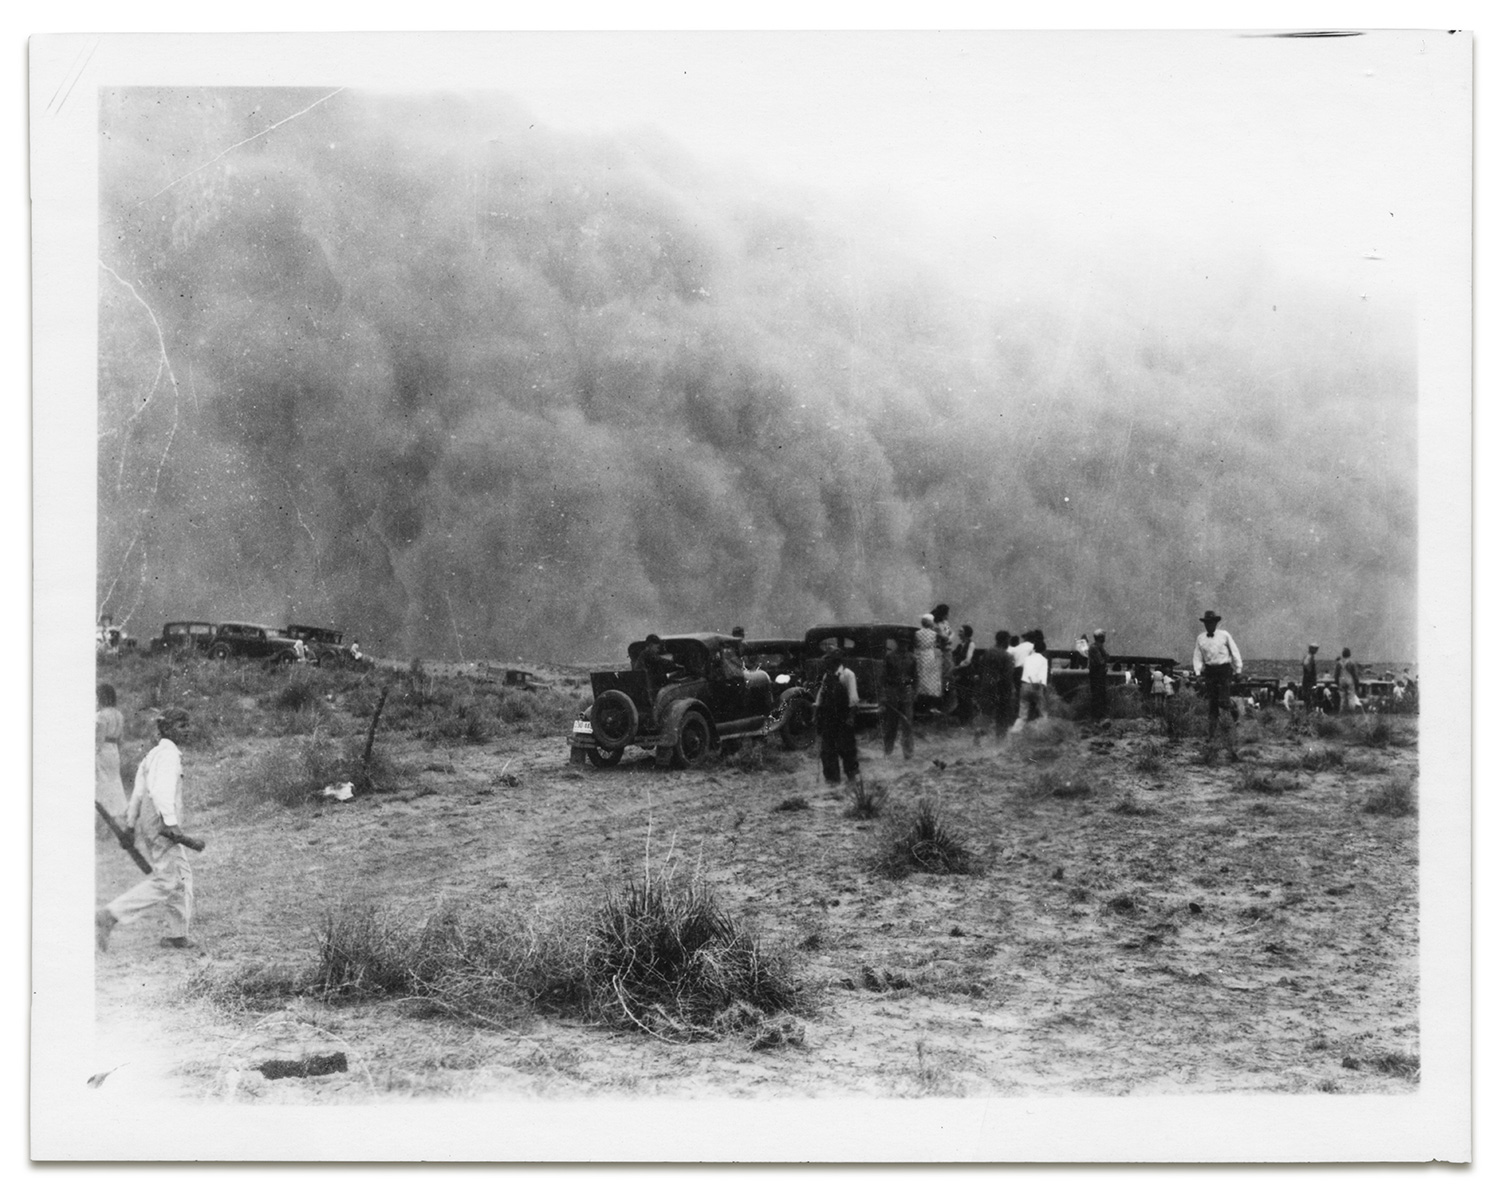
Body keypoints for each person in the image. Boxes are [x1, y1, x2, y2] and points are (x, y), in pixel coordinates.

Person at [95, 708, 196, 952]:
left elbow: (139, 792)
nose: (188, 730)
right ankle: (110, 914)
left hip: (150, 823)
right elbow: (160, 793)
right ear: (167, 729)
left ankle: (177, 935)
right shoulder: (168, 756)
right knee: (168, 880)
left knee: (181, 876)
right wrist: (171, 826)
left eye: (187, 725)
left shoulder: (153, 755)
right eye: (182, 725)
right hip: (162, 825)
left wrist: (130, 825)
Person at [1191, 610, 1243, 745]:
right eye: (1207, 623)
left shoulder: (1224, 635)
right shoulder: (1201, 638)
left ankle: (1234, 711)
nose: (1209, 625)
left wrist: (1238, 669)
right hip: (1210, 671)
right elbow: (1197, 656)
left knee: (1224, 702)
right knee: (1212, 704)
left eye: (1212, 622)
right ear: (1204, 624)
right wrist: (1197, 673)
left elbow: (1234, 651)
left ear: (1216, 623)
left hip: (1224, 670)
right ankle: (1212, 735)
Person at [814, 651, 860, 786]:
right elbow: (820, 697)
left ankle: (852, 777)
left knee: (847, 748)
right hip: (828, 717)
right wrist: (816, 714)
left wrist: (850, 718)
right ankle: (832, 780)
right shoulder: (827, 676)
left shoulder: (847, 675)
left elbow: (853, 699)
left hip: (844, 716)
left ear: (836, 662)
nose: (826, 664)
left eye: (829, 661)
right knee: (827, 750)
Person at [95, 684, 127, 841]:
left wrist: (95, 752)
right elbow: (120, 739)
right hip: (114, 751)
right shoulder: (119, 715)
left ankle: (103, 828)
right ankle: (112, 824)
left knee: (102, 786)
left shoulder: (101, 715)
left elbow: (99, 739)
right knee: (114, 784)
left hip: (103, 751)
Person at [880, 635, 917, 760]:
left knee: (907, 723)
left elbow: (916, 677)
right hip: (893, 691)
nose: (903, 645)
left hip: (906, 692)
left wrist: (914, 693)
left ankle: (908, 753)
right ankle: (888, 752)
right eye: (901, 642)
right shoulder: (889, 657)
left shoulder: (912, 658)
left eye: (906, 642)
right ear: (897, 642)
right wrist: (884, 695)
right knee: (891, 724)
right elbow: (883, 678)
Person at [913, 614, 944, 707]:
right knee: (931, 677)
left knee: (921, 675)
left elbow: (916, 644)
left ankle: (921, 698)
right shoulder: (934, 633)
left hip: (920, 655)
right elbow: (943, 639)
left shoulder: (917, 633)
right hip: (930, 656)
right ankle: (930, 699)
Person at [1019, 635, 1050, 723]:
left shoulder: (1027, 658)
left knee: (1022, 716)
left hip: (1025, 685)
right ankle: (1043, 729)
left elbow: (1022, 666)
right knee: (1042, 713)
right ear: (1043, 650)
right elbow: (1043, 677)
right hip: (1037, 686)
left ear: (1034, 648)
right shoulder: (1044, 660)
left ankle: (1015, 732)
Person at [951, 625, 978, 724]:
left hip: (967, 673)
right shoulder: (960, 646)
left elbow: (968, 660)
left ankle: (968, 718)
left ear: (966, 633)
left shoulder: (971, 644)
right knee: (960, 696)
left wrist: (957, 667)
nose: (959, 633)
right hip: (960, 673)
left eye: (961, 631)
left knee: (966, 696)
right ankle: (962, 719)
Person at [1086, 629, 1110, 721]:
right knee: (1097, 696)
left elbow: (1107, 657)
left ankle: (1099, 717)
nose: (1104, 638)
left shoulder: (1098, 646)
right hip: (1096, 675)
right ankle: (1096, 717)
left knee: (1101, 695)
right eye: (1103, 636)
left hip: (1100, 675)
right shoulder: (1094, 647)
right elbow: (1101, 660)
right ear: (1100, 637)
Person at [1335, 647, 1363, 714]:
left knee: (1342, 698)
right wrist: (1357, 684)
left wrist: (1336, 681)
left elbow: (1336, 674)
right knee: (1351, 697)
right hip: (1349, 680)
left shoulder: (1339, 662)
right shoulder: (1351, 662)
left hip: (1341, 680)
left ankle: (1341, 712)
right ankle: (1351, 712)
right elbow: (1355, 674)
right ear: (1349, 654)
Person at [1300, 644, 1320, 711]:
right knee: (1310, 695)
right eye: (1315, 649)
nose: (1316, 651)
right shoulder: (1310, 656)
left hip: (1308, 680)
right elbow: (1306, 664)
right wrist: (1310, 672)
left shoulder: (1308, 656)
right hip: (1309, 680)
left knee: (1309, 696)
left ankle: (1309, 711)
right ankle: (1309, 712)